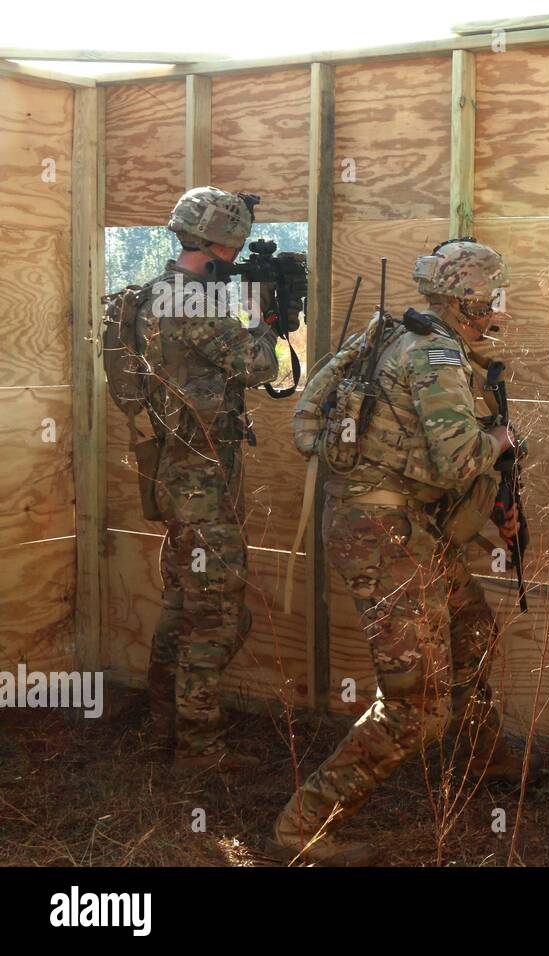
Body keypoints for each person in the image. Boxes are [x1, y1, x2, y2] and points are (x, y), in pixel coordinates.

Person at [268, 238, 534, 866]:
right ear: (467, 301)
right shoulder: (435, 355)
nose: (498, 308)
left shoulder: (398, 336)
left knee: (472, 628)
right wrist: (500, 439)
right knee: (415, 709)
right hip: (384, 535)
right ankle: (302, 828)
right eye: (491, 297)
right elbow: (457, 462)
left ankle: (481, 759)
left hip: (400, 526)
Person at [128, 187, 299, 772]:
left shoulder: (158, 291)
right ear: (222, 242)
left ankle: (163, 728)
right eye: (236, 243)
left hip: (177, 472)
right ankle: (198, 749)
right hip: (199, 480)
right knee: (220, 614)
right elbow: (258, 365)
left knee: (183, 604)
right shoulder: (192, 300)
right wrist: (269, 322)